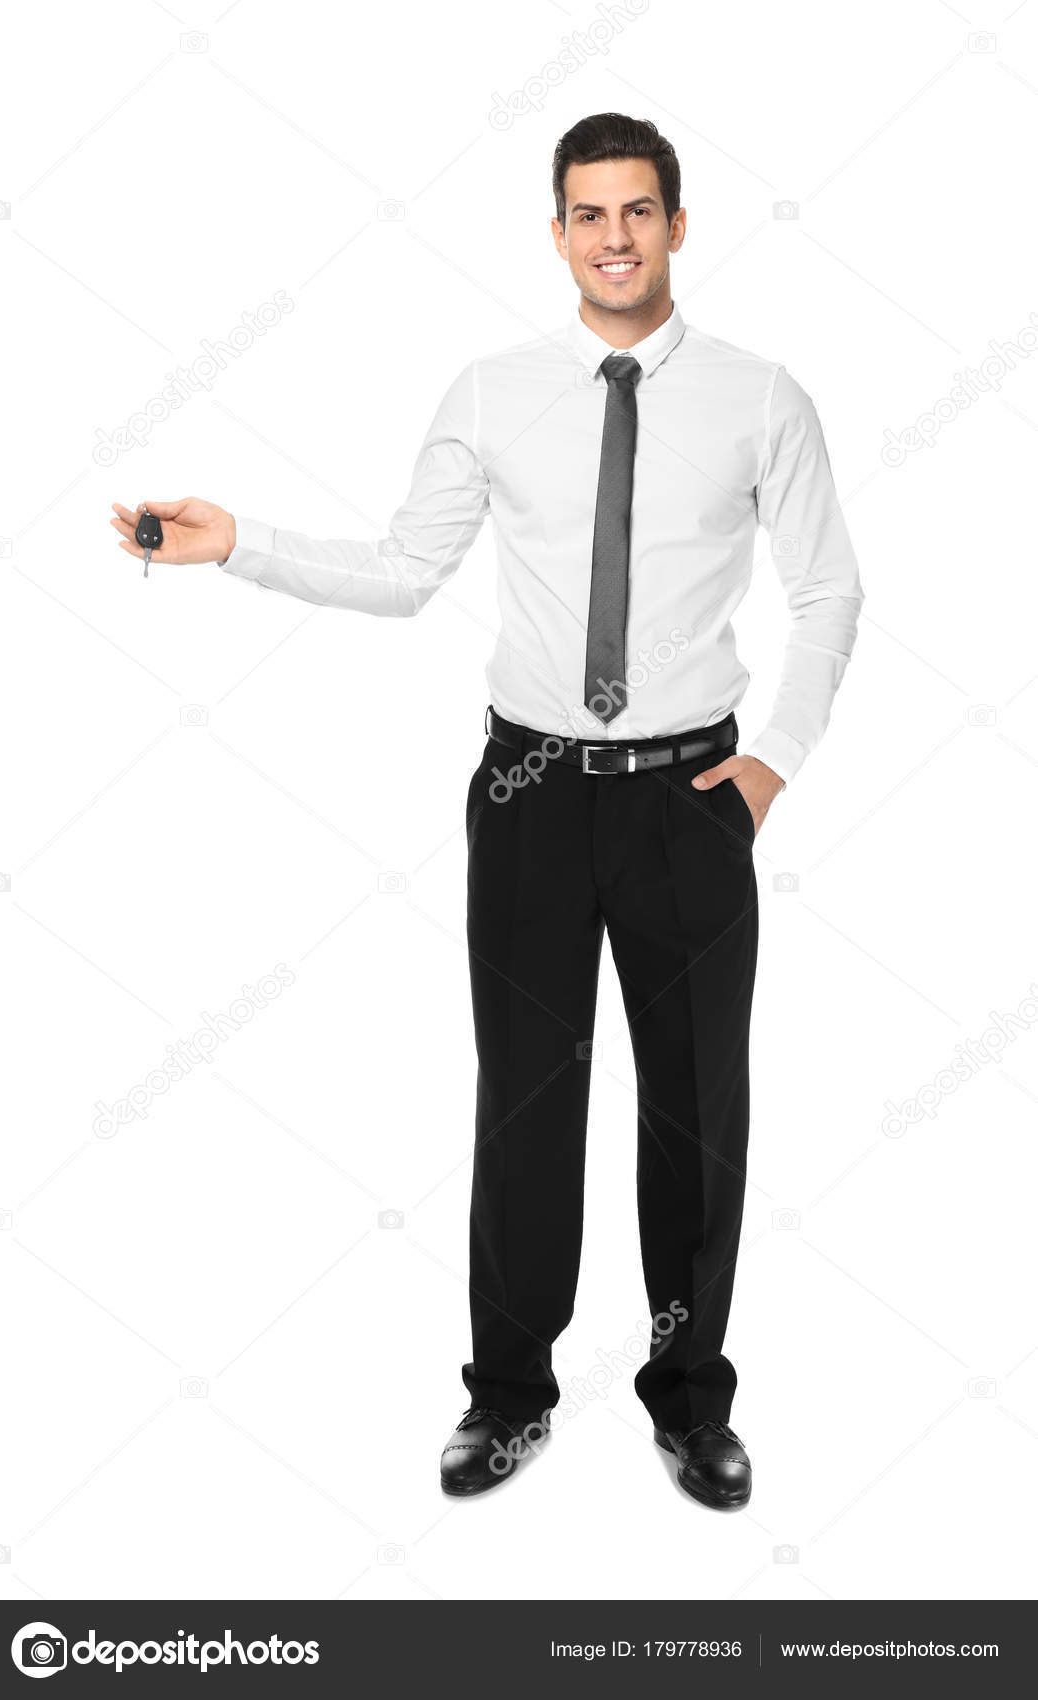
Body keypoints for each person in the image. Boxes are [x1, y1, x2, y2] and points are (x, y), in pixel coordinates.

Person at [110, 111, 863, 1511]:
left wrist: (769, 768)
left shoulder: (762, 397)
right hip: (527, 795)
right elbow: (405, 571)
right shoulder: (491, 390)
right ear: (559, 232)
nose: (616, 237)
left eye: (640, 211)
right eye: (589, 215)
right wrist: (240, 546)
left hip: (691, 802)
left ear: (679, 226)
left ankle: (690, 1401)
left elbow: (830, 591)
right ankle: (508, 1398)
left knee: (698, 1118)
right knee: (529, 1105)